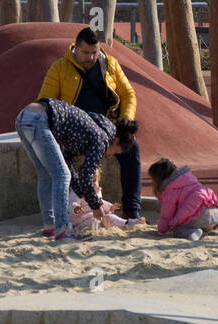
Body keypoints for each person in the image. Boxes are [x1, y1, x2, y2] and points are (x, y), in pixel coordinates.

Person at [37, 27, 144, 227]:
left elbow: (128, 94)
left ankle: (132, 210)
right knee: (60, 158)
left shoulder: (110, 64)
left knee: (132, 150)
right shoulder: (59, 69)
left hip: (106, 128)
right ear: (75, 48)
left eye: (94, 52)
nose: (91, 57)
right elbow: (46, 101)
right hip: (74, 131)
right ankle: (70, 208)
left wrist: (124, 125)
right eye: (86, 53)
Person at [15, 97, 138, 243]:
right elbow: (86, 176)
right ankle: (62, 230)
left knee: (46, 176)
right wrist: (95, 206)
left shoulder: (88, 130)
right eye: (115, 152)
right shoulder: (102, 138)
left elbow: (67, 162)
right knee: (62, 176)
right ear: (116, 140)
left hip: (24, 117)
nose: (110, 156)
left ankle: (50, 227)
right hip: (40, 119)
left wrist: (82, 194)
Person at [148, 158, 218, 242]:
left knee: (178, 231)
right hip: (214, 218)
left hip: (199, 218)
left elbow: (166, 215)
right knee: (193, 222)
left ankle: (194, 232)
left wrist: (161, 231)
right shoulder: (188, 180)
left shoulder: (170, 190)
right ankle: (204, 230)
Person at [69, 169, 127, 237]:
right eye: (89, 181)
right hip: (83, 219)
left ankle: (126, 223)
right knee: (94, 222)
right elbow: (71, 202)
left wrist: (110, 207)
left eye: (94, 180)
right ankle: (105, 224)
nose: (92, 184)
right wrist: (75, 207)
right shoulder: (77, 191)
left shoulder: (97, 191)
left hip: (98, 217)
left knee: (110, 217)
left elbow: (101, 203)